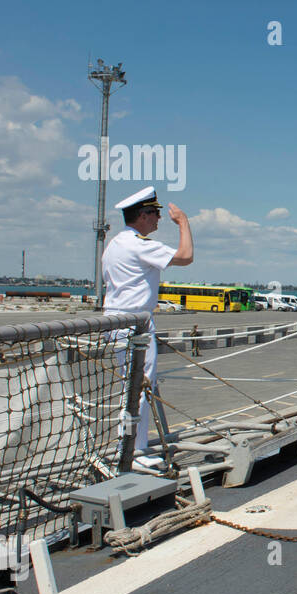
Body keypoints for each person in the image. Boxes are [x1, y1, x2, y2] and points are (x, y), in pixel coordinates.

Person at [102, 187, 194, 461]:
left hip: (120, 321)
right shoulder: (139, 245)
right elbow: (186, 256)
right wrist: (184, 222)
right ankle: (132, 451)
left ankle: (132, 446)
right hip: (135, 326)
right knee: (138, 390)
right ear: (141, 216)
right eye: (154, 213)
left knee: (136, 387)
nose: (158, 218)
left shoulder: (116, 243)